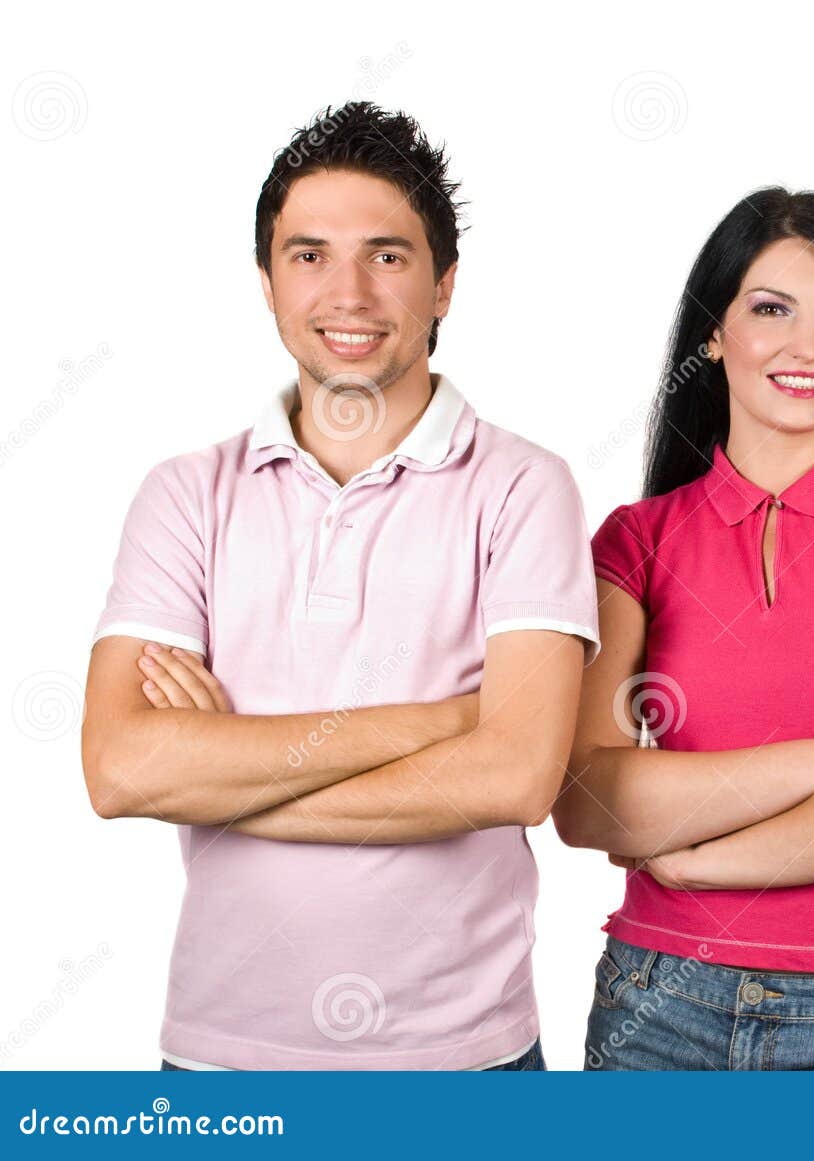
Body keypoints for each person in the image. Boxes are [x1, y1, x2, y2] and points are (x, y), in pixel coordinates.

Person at [81, 102, 598, 1071]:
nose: (347, 292)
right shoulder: (186, 494)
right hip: (218, 1066)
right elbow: (119, 770)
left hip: (465, 1066)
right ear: (268, 283)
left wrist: (220, 776)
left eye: (388, 256)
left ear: (445, 285)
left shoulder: (526, 487)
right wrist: (446, 723)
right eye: (309, 254)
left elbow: (520, 776)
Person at [554, 188, 814, 1070]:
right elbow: (587, 799)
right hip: (660, 1002)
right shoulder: (636, 541)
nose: (810, 346)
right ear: (713, 335)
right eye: (770, 309)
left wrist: (695, 863)